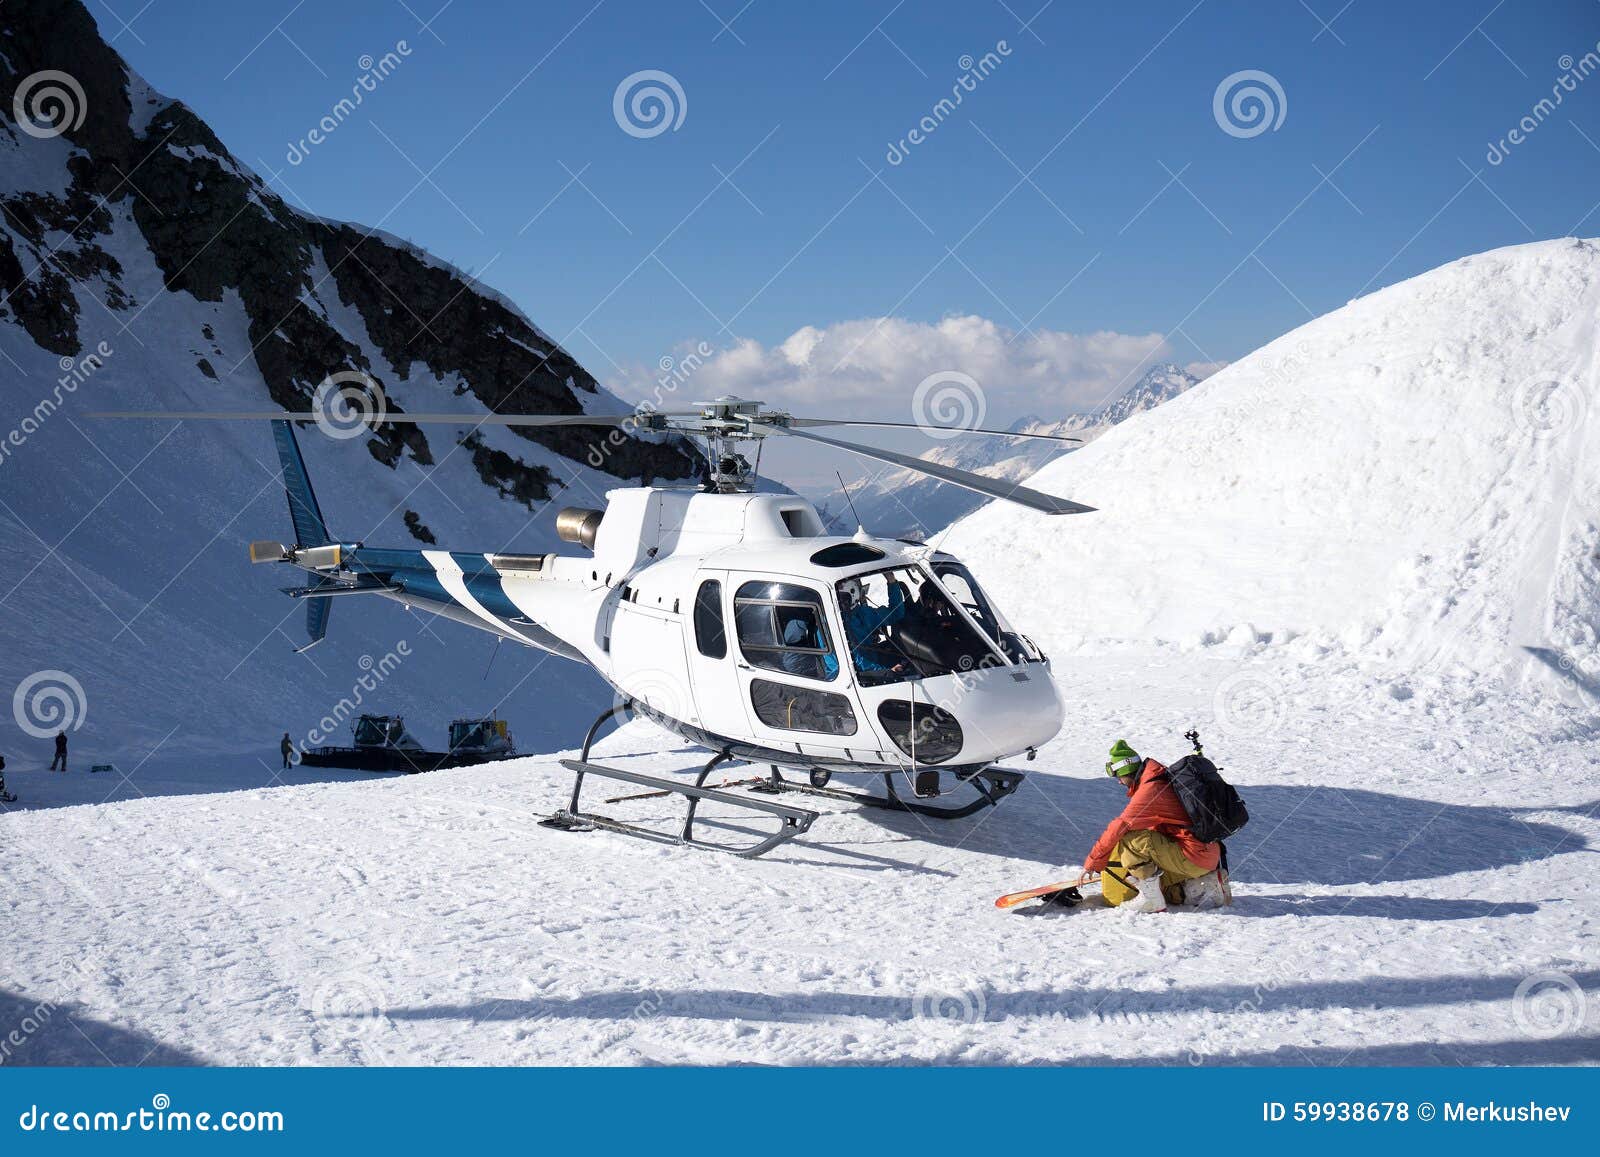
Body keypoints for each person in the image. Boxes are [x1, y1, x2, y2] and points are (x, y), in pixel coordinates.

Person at [1076, 740, 1231, 912]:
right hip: (1205, 855)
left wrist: (1092, 863)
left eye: (1118, 776)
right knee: (1161, 884)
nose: (1119, 782)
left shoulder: (1151, 789)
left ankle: (1151, 901)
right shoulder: (1159, 777)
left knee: (1129, 840)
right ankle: (1208, 887)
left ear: (1127, 770)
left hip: (1193, 856)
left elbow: (1119, 826)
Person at [838, 577, 907, 676]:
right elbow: (850, 661)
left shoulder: (863, 613)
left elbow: (896, 614)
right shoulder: (829, 622)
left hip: (872, 664)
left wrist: (892, 582)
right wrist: (885, 671)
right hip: (850, 676)